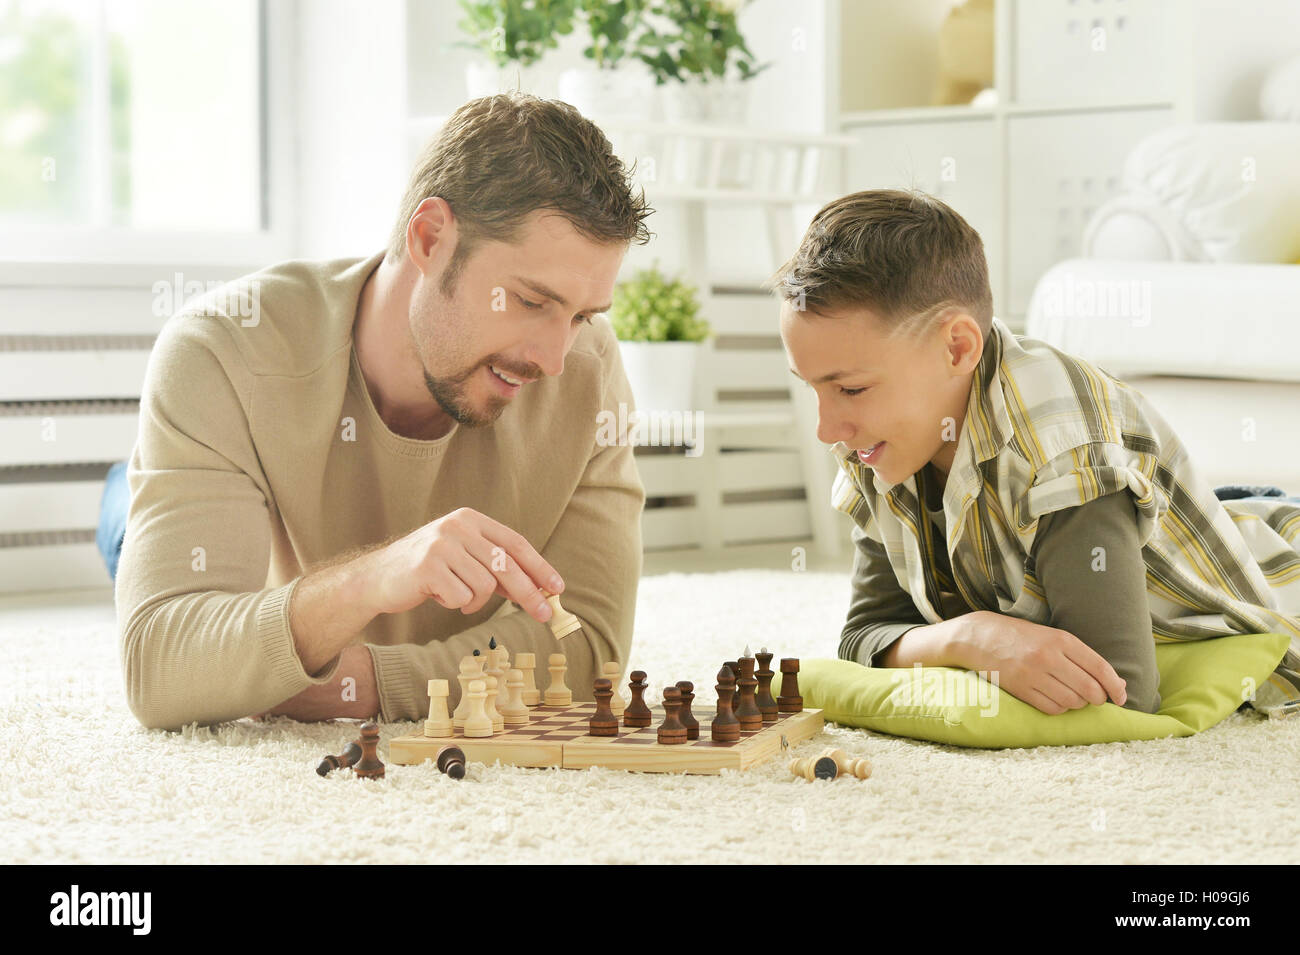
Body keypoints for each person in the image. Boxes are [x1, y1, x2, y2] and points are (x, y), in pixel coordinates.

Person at [113, 92, 651, 730]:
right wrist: (370, 578)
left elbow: (587, 649)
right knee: (123, 527)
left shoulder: (586, 370)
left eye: (582, 316)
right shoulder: (219, 350)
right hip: (215, 498)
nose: (556, 359)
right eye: (532, 301)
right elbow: (162, 669)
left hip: (283, 592)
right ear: (430, 239)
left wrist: (359, 684)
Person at [770, 189, 1300, 718]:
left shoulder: (1061, 447)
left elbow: (1121, 696)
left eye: (852, 389)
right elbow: (863, 637)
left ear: (957, 348)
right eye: (812, 388)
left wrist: (941, 647)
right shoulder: (875, 442)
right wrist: (970, 639)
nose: (826, 429)